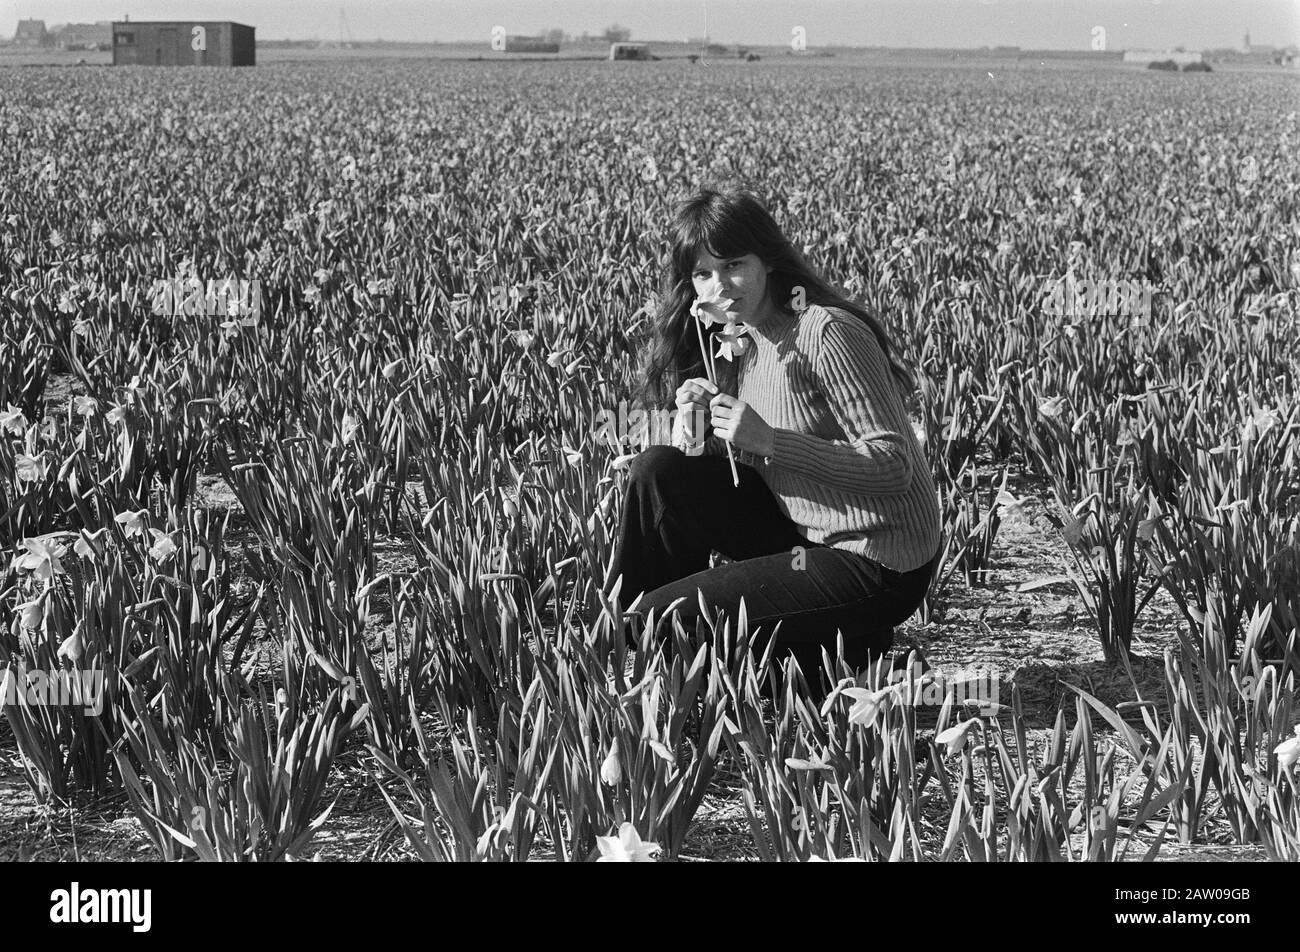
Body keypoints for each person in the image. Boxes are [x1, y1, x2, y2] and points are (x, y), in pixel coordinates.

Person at [601, 184, 942, 693]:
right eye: (702, 274)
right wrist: (694, 427)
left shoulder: (825, 332)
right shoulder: (741, 340)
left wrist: (772, 440)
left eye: (733, 264)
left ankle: (845, 655)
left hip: (875, 559)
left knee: (672, 617)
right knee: (658, 472)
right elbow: (739, 462)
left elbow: (894, 465)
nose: (718, 287)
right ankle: (620, 648)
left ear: (768, 260)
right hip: (803, 533)